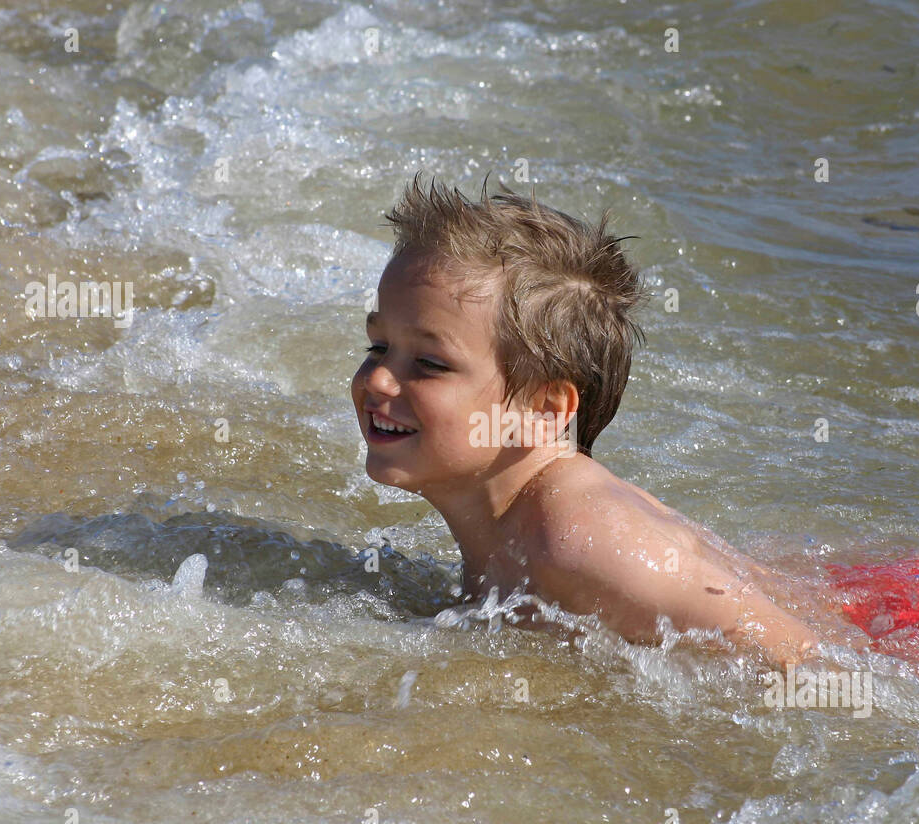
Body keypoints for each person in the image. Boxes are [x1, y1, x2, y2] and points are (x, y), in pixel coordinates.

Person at [350, 173, 819, 668]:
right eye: (378, 347)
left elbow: (805, 659)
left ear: (542, 411)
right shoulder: (510, 529)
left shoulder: (583, 540)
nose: (378, 380)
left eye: (430, 363)